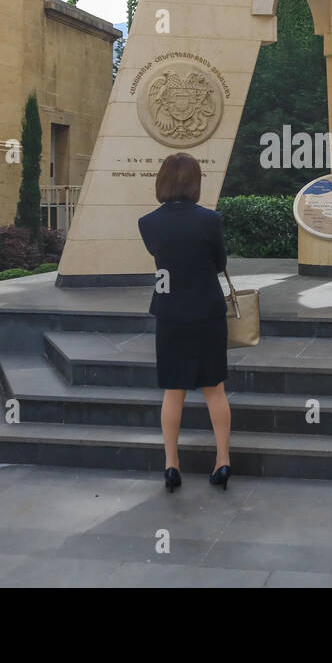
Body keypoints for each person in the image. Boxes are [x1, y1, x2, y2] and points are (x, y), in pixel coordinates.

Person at [137, 152, 232, 492]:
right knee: (214, 390)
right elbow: (220, 262)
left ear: (162, 180)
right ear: (195, 182)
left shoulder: (148, 223)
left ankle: (171, 465)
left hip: (170, 312)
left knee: (173, 391)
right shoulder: (210, 220)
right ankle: (222, 461)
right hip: (207, 311)